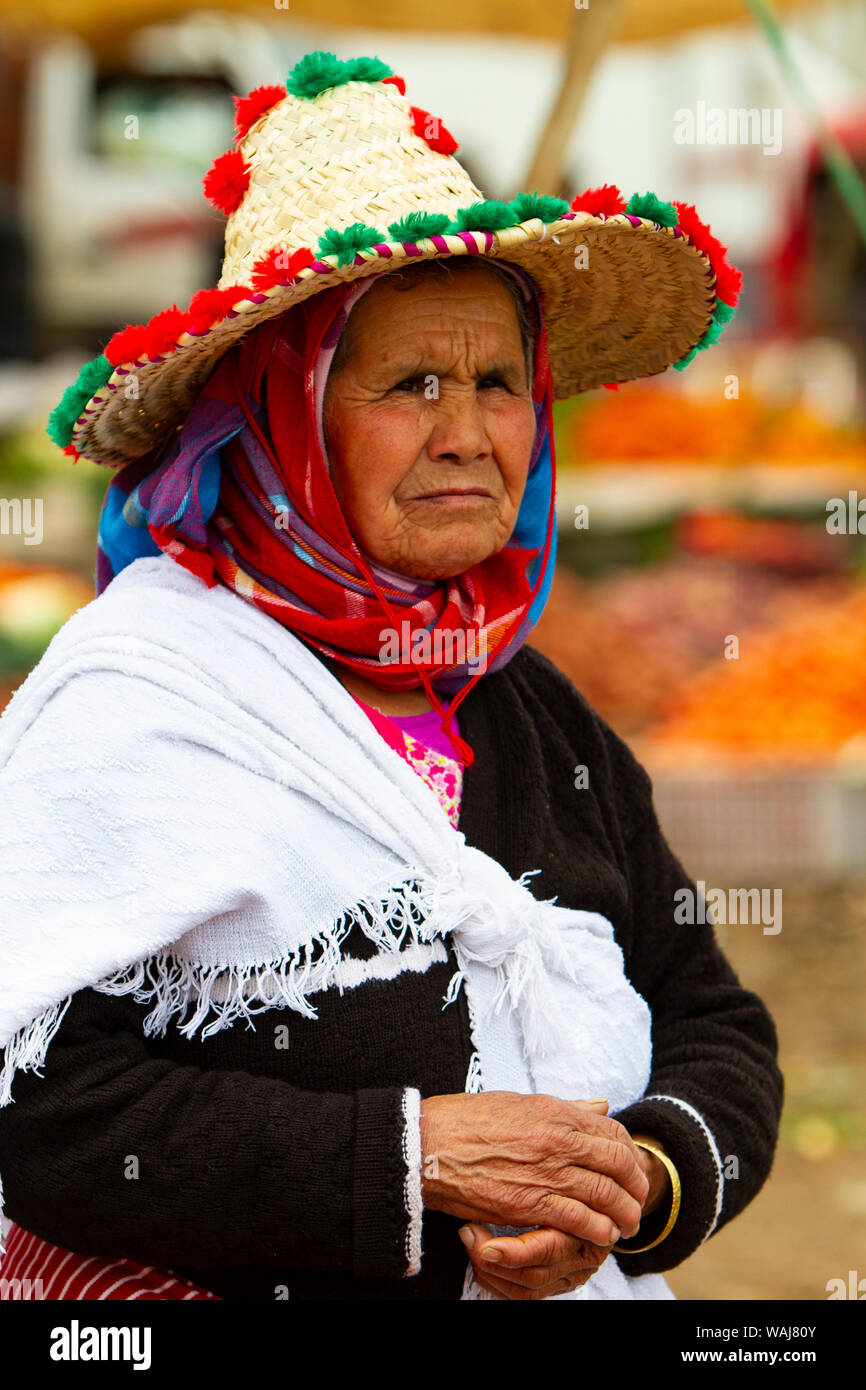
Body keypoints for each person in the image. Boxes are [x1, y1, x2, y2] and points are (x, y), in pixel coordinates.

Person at [0, 49, 781, 1302]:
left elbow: (711, 1015)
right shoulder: (141, 706)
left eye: (494, 384)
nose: (469, 434)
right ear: (284, 416)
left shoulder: (527, 709)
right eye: (409, 385)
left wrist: (638, 1177)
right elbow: (50, 1115)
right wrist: (411, 1158)